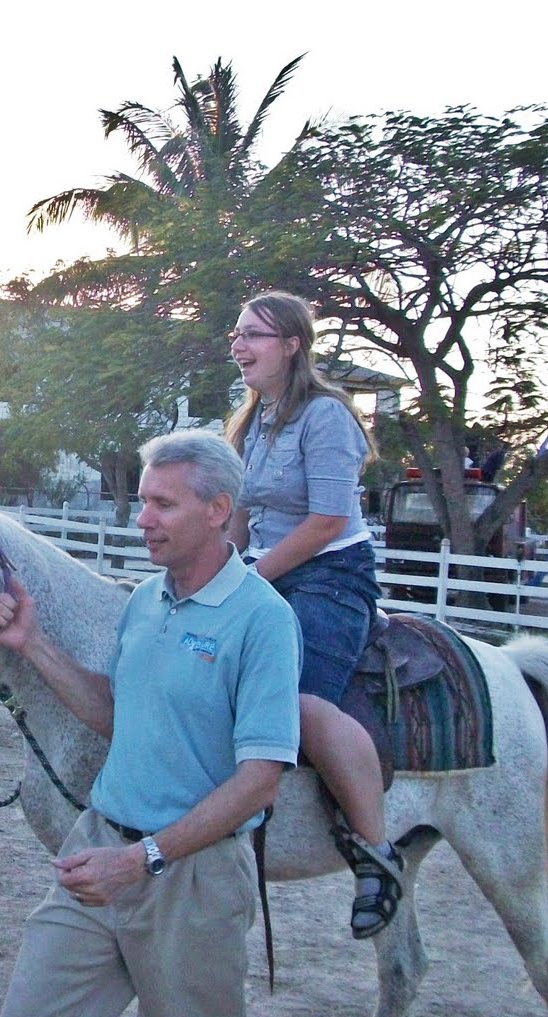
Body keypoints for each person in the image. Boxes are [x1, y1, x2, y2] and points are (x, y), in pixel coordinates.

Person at [0, 429, 300, 1017]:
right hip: (97, 854)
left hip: (192, 876)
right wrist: (32, 645)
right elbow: (114, 715)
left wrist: (143, 858)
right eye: (143, 501)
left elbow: (260, 780)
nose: (142, 518)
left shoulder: (263, 620)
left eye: (162, 503)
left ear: (218, 510)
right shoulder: (145, 602)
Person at [223, 290, 404, 939]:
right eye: (237, 336)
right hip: (271, 572)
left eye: (254, 336)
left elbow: (328, 521)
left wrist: (251, 577)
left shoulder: (326, 417)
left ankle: (377, 853)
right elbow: (240, 518)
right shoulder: (251, 422)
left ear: (293, 345)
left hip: (331, 575)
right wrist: (205, 571)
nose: (239, 347)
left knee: (297, 699)